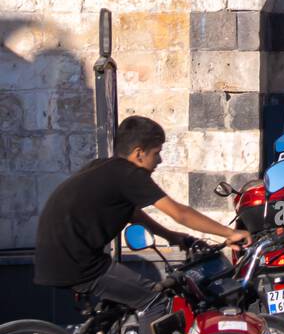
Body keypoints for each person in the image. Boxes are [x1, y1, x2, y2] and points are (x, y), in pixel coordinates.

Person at [34, 115, 249, 313]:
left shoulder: (104, 167)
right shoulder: (129, 175)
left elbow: (133, 214)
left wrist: (171, 236)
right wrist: (229, 233)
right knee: (156, 302)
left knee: (114, 311)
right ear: (139, 153)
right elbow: (180, 213)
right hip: (79, 264)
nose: (160, 160)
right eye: (156, 153)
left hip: (56, 257)